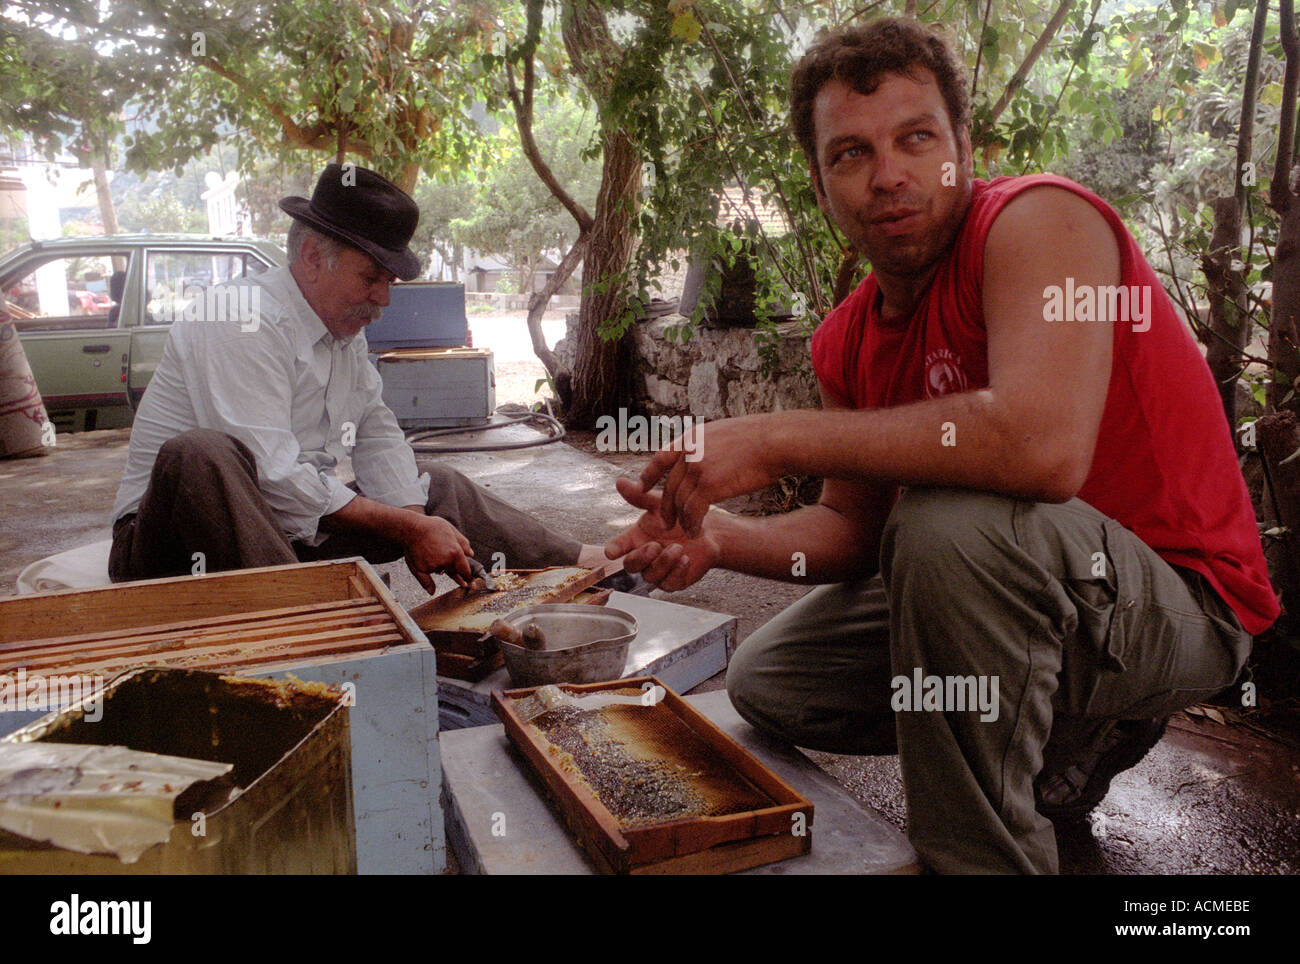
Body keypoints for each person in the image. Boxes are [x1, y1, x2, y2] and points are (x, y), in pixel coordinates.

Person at [605, 18, 1278, 873]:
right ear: (820, 186)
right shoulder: (846, 340)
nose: (889, 176)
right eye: (850, 154)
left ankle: (981, 857)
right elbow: (851, 531)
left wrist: (776, 437)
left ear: (964, 145)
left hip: (1183, 603)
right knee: (773, 677)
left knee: (947, 525)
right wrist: (720, 539)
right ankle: (1068, 739)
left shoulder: (1042, 224)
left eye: (917, 139)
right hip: (1035, 597)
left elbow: (1041, 448)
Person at [110, 162, 611, 589]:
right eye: (370, 278)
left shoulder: (342, 331)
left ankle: (584, 563)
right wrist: (403, 528)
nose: (384, 298)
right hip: (174, 545)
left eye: (388, 282)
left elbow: (374, 429)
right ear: (311, 258)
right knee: (201, 453)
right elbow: (274, 476)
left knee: (433, 484)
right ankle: (318, 634)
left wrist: (416, 523)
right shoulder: (236, 316)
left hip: (286, 531)